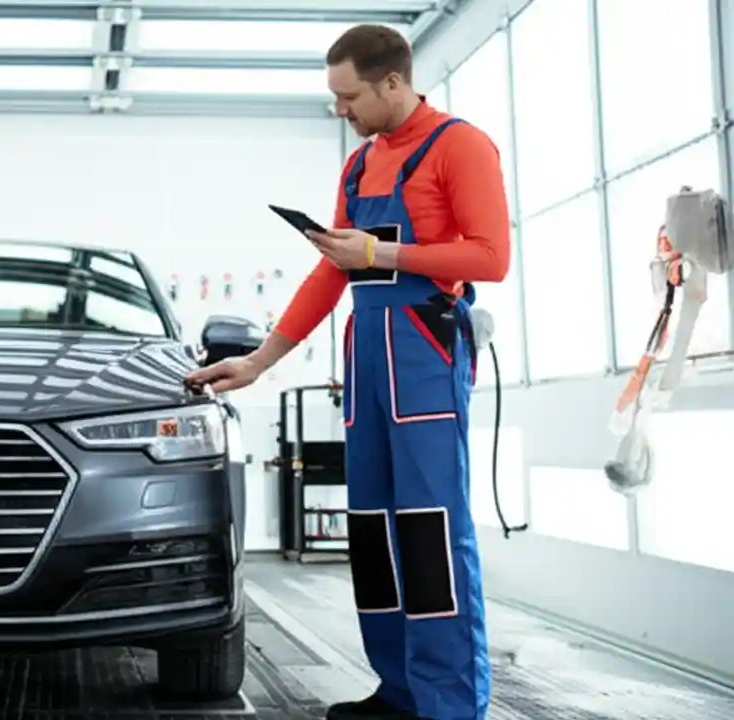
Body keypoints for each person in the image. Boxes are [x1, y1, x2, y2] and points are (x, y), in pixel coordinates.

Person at [186, 24, 510, 720]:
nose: (341, 110)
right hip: (366, 357)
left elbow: (490, 258)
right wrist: (259, 360)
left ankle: (449, 703)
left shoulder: (460, 145)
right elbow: (334, 270)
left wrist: (384, 255)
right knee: (372, 527)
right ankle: (397, 690)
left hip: (425, 350)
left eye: (349, 96)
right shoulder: (359, 166)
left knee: (430, 529)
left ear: (393, 82)